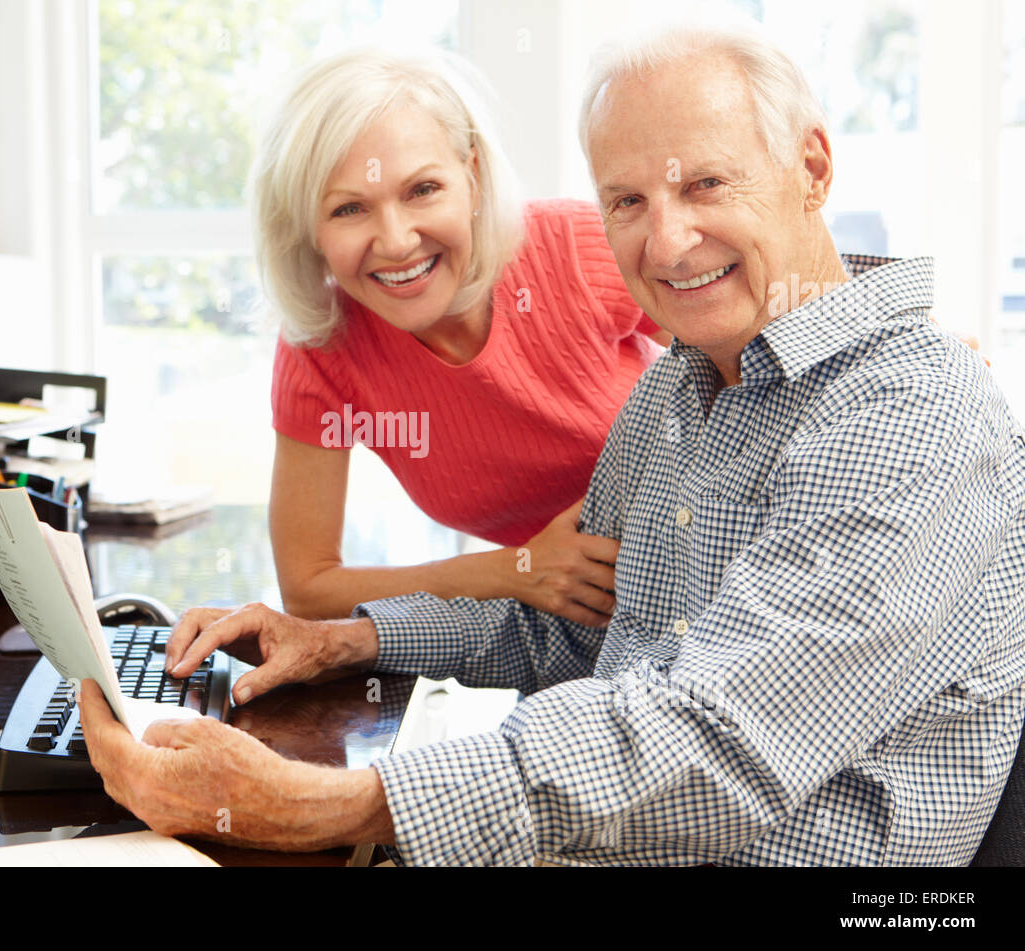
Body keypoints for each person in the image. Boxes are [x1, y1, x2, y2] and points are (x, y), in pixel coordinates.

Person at [79, 19, 1025, 865]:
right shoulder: (673, 390)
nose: (666, 243)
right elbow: (569, 627)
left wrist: (342, 807)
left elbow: (719, 736)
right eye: (626, 202)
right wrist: (345, 642)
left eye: (704, 182)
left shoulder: (908, 412)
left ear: (812, 170)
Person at [258, 48, 668, 625]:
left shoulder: (573, 246)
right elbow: (308, 588)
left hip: (719, 582)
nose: (397, 241)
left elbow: (755, 374)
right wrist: (517, 570)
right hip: (566, 628)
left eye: (422, 190)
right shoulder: (322, 349)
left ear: (471, 178)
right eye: (349, 208)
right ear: (307, 229)